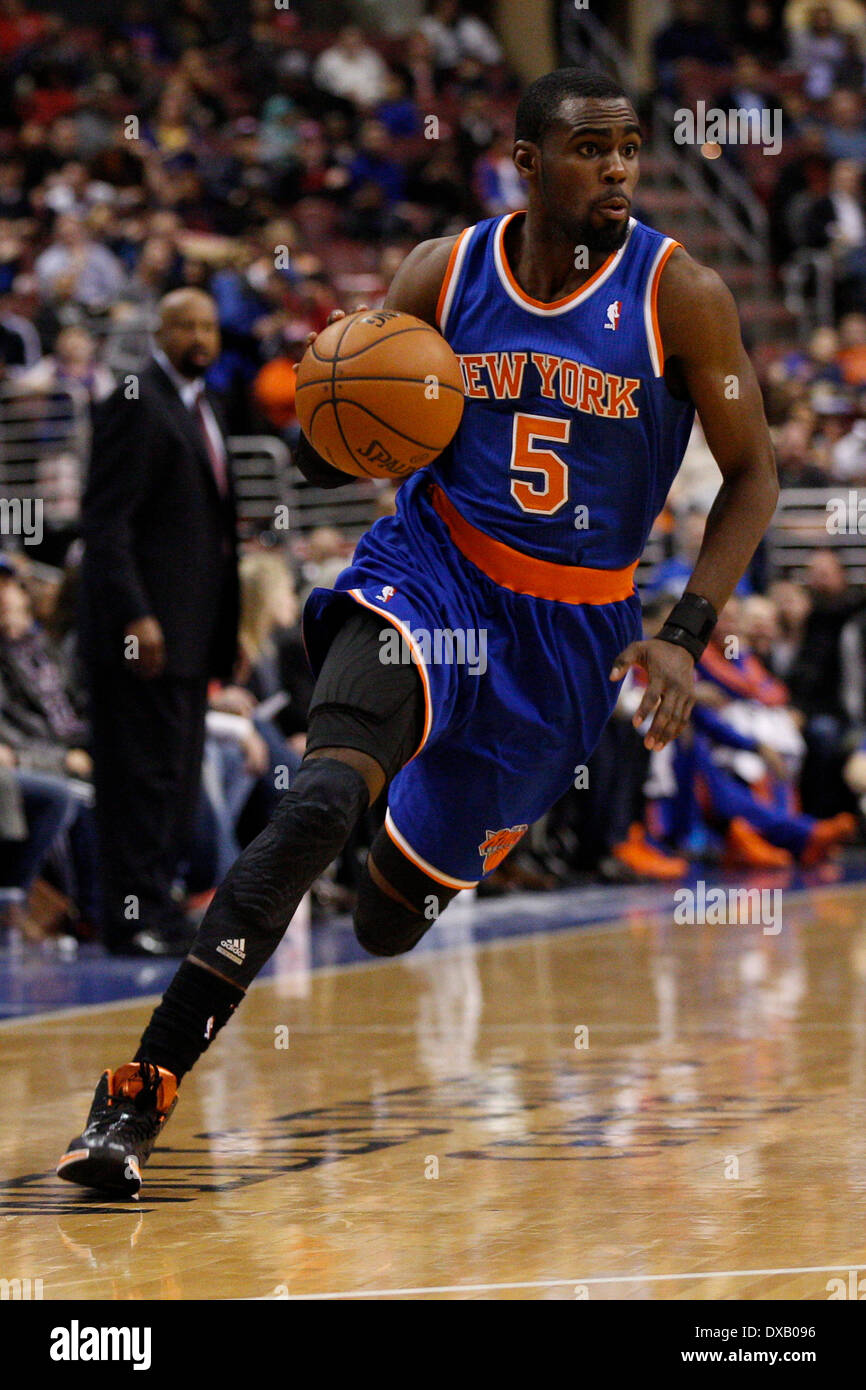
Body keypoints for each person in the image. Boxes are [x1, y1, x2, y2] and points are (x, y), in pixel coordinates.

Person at [57, 67, 779, 1195]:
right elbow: (338, 443)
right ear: (526, 164)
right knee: (319, 799)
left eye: (631, 145)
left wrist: (684, 630)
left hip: (569, 639)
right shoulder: (441, 272)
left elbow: (753, 475)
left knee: (392, 922)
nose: (622, 168)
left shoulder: (678, 297)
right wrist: (326, 399)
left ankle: (425, 810)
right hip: (429, 574)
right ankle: (141, 1084)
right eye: (593, 148)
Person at [78, 288, 239, 958]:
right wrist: (135, 615)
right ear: (160, 332)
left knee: (174, 781)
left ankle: (162, 908)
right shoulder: (136, 399)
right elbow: (105, 523)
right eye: (186, 326)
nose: (199, 337)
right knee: (138, 782)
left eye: (208, 325)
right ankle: (128, 919)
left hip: (193, 634)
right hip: (144, 635)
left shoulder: (208, 406)